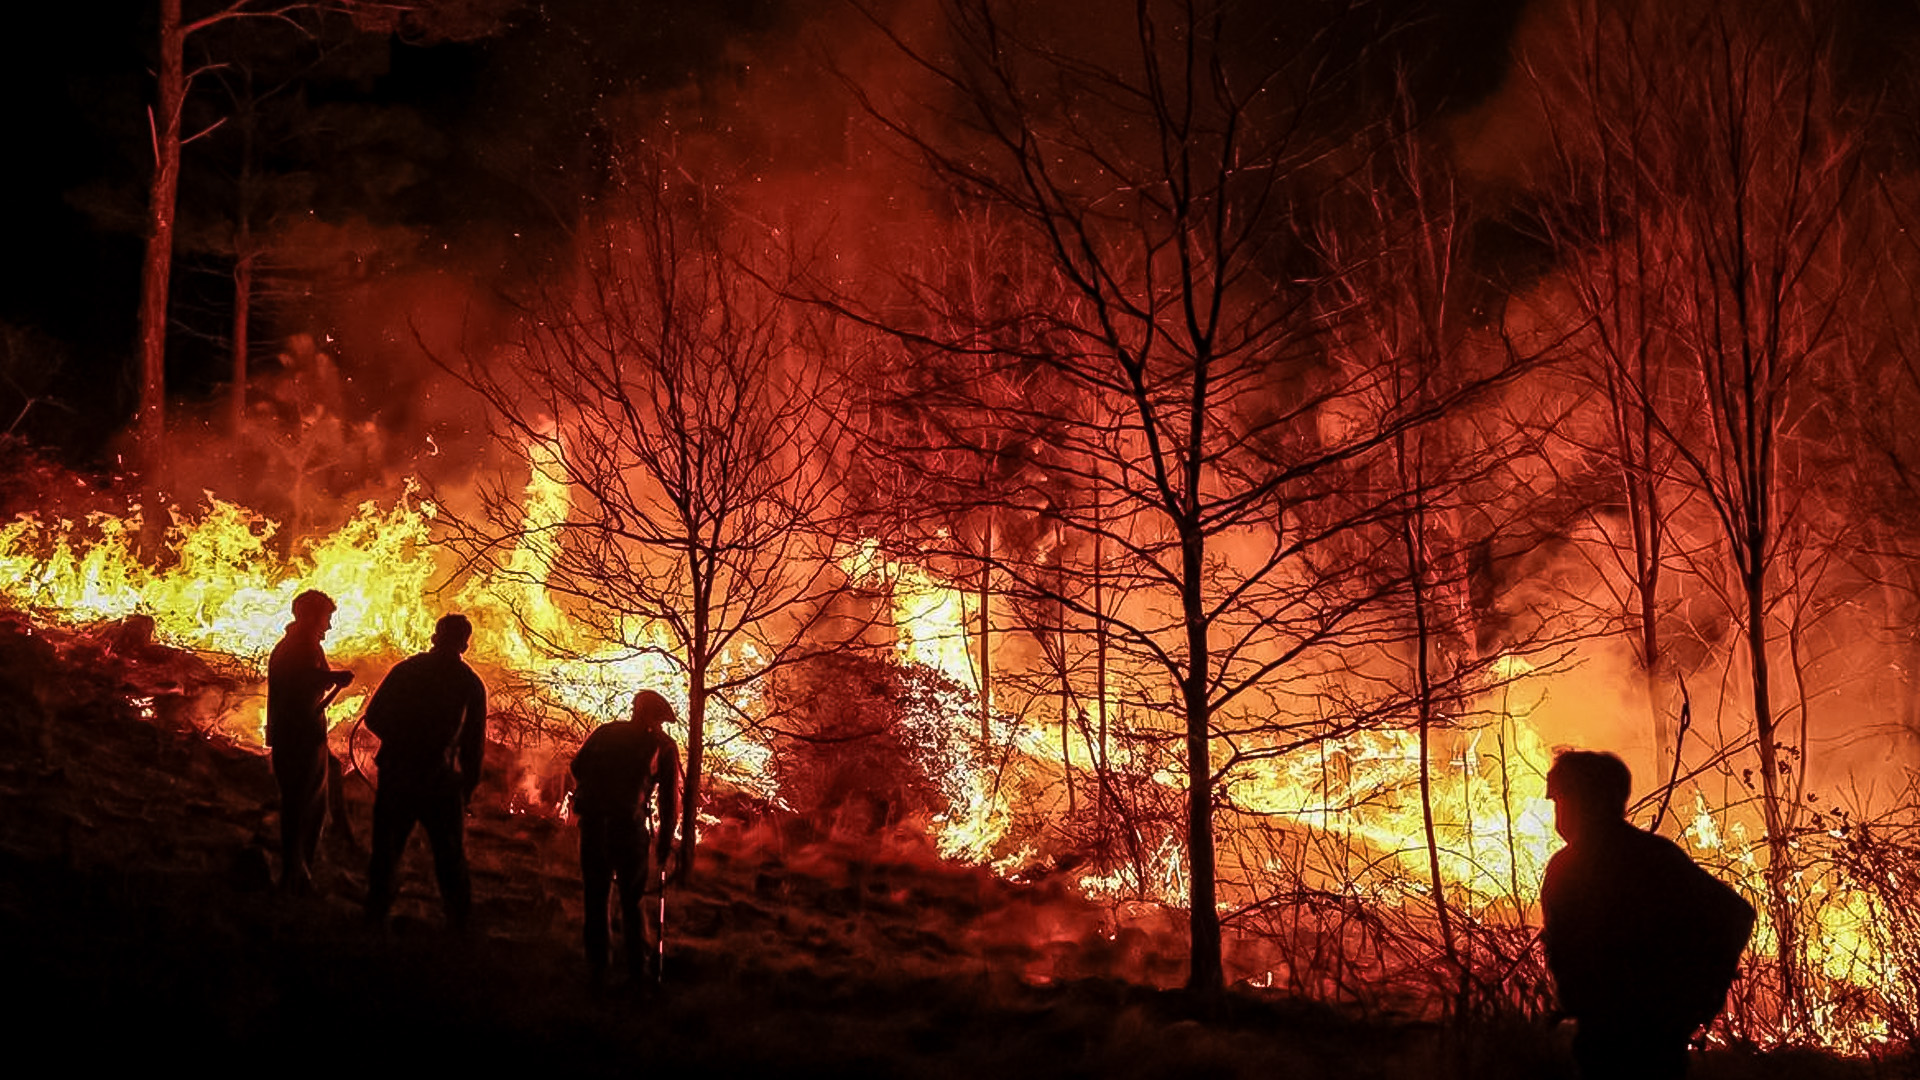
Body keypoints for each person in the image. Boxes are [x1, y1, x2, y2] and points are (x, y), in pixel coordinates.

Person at [1541, 749, 1756, 1080]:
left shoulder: (1576, 867)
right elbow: (1735, 914)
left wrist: (1696, 1001)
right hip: (1631, 1035)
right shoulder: (1657, 856)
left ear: (1593, 800)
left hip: (1628, 1038)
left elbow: (1733, 915)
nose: (1559, 813)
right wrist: (1698, 1001)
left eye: (1562, 799)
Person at [361, 614, 488, 931]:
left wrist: (400, 742)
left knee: (387, 850)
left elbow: (374, 716)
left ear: (435, 637)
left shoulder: (408, 670)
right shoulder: (469, 683)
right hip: (439, 782)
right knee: (449, 858)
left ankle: (375, 917)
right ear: (465, 644)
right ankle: (459, 927)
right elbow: (473, 744)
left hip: (400, 773)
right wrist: (467, 787)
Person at [570, 689, 682, 986]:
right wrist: (665, 841)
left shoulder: (606, 732)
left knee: (595, 898)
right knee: (631, 902)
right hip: (628, 830)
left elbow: (577, 767)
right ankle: (638, 972)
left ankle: (597, 970)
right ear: (658, 719)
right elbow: (669, 801)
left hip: (593, 824)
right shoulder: (663, 746)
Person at [265, 589, 353, 894]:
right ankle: (294, 873)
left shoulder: (304, 645)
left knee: (311, 806)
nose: (328, 626)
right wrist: (333, 678)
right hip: (297, 736)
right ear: (311, 617)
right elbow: (300, 679)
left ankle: (300, 870)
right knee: (299, 806)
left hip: (306, 734)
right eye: (326, 618)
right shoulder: (297, 647)